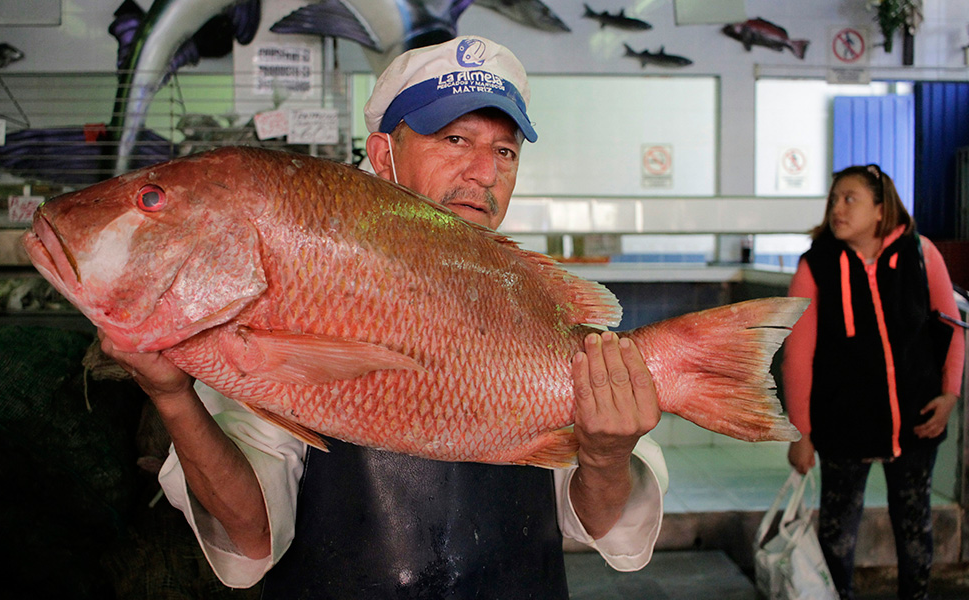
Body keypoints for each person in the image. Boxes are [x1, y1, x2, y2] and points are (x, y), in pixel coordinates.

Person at [100, 36, 668, 597]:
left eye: (505, 150)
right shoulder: (305, 281)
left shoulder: (533, 306)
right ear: (382, 155)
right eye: (455, 138)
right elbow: (249, 538)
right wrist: (175, 398)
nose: (485, 172)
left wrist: (606, 455)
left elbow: (607, 528)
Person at [783, 164, 965, 600]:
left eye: (850, 199)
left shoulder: (921, 254)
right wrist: (800, 432)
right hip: (843, 423)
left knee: (914, 525)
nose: (837, 209)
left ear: (881, 210)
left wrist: (949, 395)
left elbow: (952, 328)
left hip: (917, 419)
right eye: (833, 200)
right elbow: (797, 355)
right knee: (837, 532)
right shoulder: (816, 266)